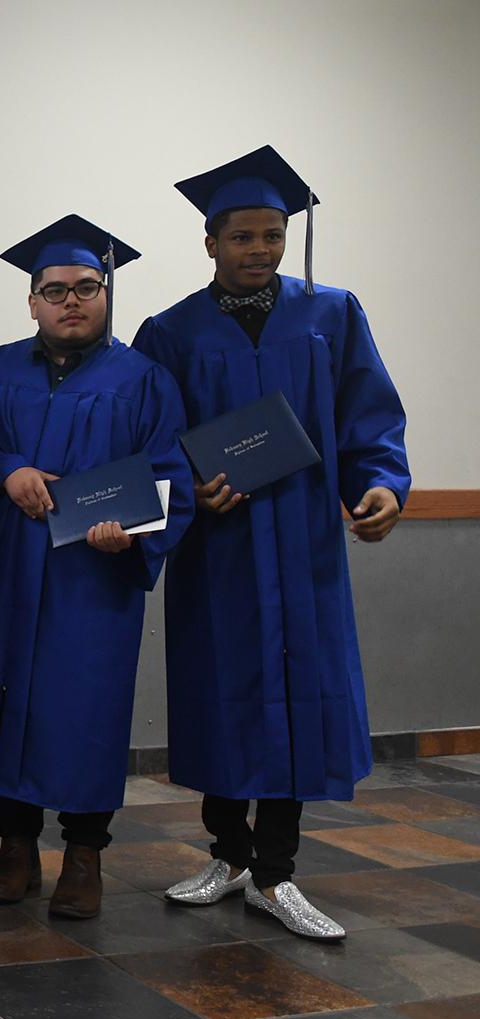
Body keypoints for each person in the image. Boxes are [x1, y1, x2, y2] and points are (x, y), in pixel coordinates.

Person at [133, 146, 409, 940]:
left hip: (304, 543)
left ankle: (277, 871)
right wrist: (193, 484)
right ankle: (228, 852)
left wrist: (385, 483)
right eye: (242, 236)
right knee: (220, 692)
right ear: (210, 242)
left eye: (273, 234)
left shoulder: (332, 314)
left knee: (296, 694)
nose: (259, 249)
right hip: (218, 548)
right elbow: (155, 438)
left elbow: (370, 416)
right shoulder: (171, 331)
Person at [0, 216, 193, 919]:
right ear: (33, 301)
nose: (72, 300)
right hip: (9, 566)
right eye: (55, 290)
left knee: (85, 710)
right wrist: (7, 470)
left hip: (94, 576)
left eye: (88, 286)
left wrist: (136, 534)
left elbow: (169, 474)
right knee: (9, 699)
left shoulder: (144, 380)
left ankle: (84, 856)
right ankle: (16, 848)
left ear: (106, 293)